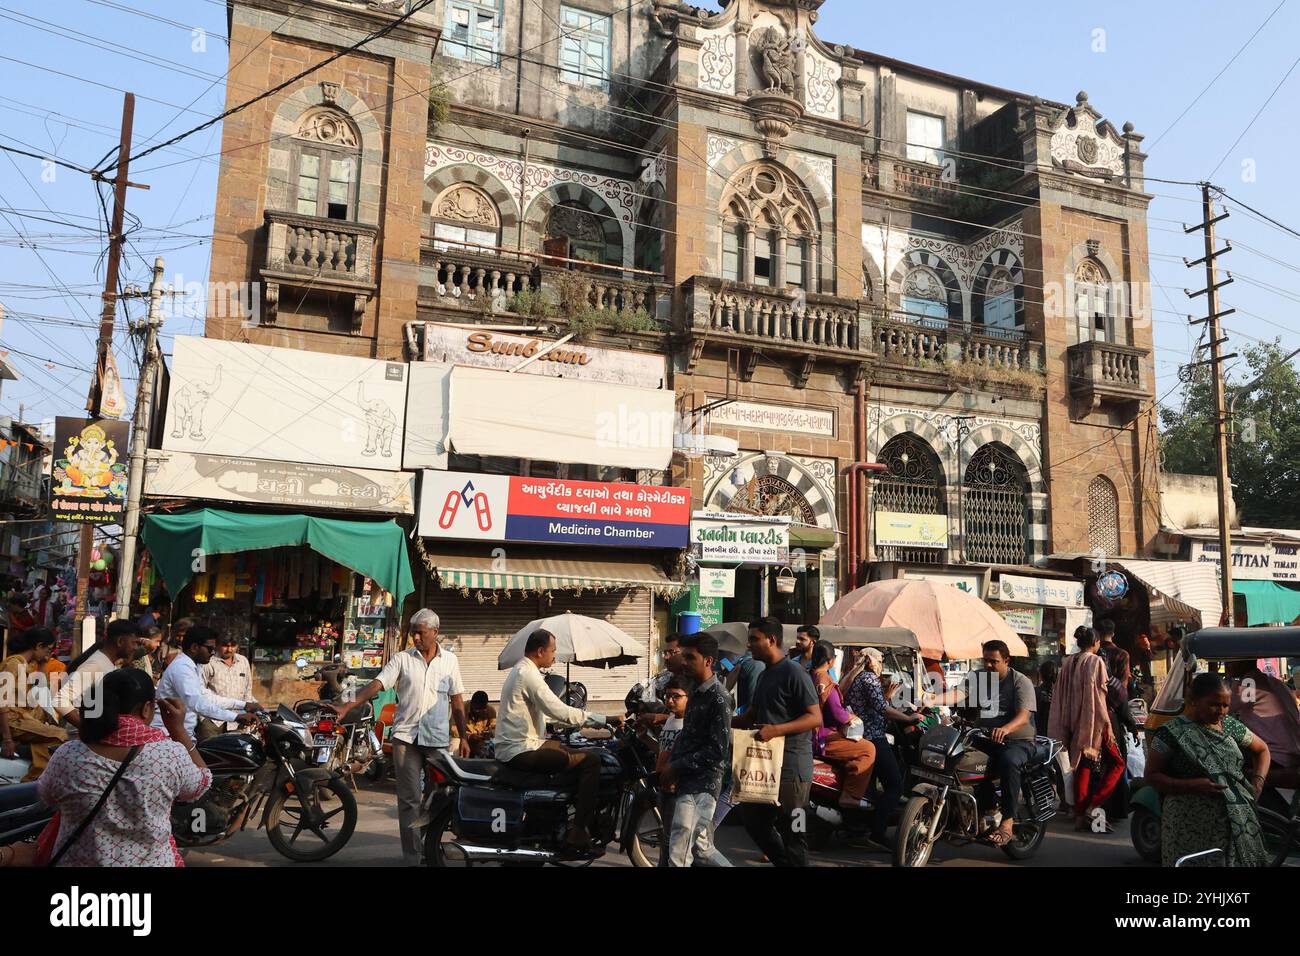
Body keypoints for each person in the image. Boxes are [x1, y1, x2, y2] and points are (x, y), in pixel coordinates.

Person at [31, 668, 211, 867]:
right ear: (146, 708)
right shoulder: (170, 754)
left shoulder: (68, 754)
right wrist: (177, 729)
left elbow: (46, 797)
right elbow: (201, 783)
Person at [334, 609, 469, 867]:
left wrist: (463, 736)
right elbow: (376, 684)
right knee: (409, 800)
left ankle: (429, 844)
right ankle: (412, 856)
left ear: (435, 632)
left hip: (437, 740)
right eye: (413, 632)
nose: (415, 637)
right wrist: (347, 706)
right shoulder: (402, 659)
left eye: (421, 632)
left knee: (439, 797)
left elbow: (457, 700)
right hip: (406, 738)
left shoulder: (450, 661)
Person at [495, 628, 617, 857]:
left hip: (524, 744)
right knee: (591, 760)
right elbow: (557, 709)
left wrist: (571, 722)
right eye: (553, 650)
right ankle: (578, 831)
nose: (555, 655)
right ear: (541, 651)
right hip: (521, 749)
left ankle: (561, 818)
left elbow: (546, 713)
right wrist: (602, 719)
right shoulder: (527, 675)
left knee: (572, 751)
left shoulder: (523, 670)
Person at [1147, 672, 1271, 867]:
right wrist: (1191, 785)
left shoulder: (1230, 726)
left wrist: (1257, 784)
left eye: (1226, 705)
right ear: (1194, 700)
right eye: (1214, 704)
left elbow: (1262, 750)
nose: (1220, 711)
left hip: (1232, 823)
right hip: (1186, 824)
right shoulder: (1169, 733)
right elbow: (1152, 776)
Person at [926, 640, 1037, 847]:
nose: (988, 665)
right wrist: (933, 699)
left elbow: (1023, 716)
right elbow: (959, 694)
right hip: (985, 738)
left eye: (993, 661)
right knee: (957, 759)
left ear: (1006, 660)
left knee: (1009, 762)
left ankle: (1007, 821)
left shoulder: (1020, 682)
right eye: (985, 660)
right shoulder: (978, 676)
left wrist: (1005, 729)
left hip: (1017, 741)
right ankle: (972, 810)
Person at [733, 616, 821, 867]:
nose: (749, 645)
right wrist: (719, 720)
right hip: (765, 768)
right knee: (752, 820)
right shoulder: (764, 675)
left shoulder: (795, 672)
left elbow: (815, 718)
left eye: (754, 639)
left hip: (794, 772)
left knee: (796, 831)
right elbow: (750, 716)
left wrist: (777, 730)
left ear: (771, 640)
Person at [661, 632, 732, 867]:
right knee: (700, 849)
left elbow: (717, 750)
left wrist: (676, 766)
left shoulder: (718, 698)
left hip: (704, 784)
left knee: (680, 853)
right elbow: (687, 735)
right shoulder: (696, 690)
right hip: (687, 780)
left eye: (691, 658)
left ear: (708, 661)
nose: (685, 662)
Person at [842, 645, 921, 846]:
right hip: (874, 737)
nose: (882, 664)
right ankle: (878, 832)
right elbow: (883, 709)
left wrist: (885, 696)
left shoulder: (854, 678)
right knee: (894, 785)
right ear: (873, 661)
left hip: (858, 737)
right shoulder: (868, 678)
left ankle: (857, 828)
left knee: (868, 785)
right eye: (881, 660)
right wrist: (908, 719)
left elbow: (871, 705)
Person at [1049, 627, 1124, 831]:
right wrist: (1105, 724)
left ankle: (1080, 816)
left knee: (1083, 767)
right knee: (1118, 764)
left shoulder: (1068, 662)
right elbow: (1101, 694)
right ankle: (1093, 805)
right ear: (1096, 642)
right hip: (1095, 721)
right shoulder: (1095, 661)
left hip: (1071, 721)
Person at [153, 626, 261, 739]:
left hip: (182, 735)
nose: (213, 653)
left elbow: (207, 697)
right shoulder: (182, 669)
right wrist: (236, 716)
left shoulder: (194, 666)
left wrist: (243, 705)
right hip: (167, 735)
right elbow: (198, 704)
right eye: (210, 649)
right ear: (194, 647)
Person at [809, 640, 877, 813]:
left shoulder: (808, 676)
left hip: (810, 733)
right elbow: (837, 714)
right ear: (831, 660)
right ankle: (851, 795)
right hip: (822, 736)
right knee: (868, 749)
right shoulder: (826, 681)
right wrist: (851, 717)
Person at [0, 628, 67, 780]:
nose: (48, 655)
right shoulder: (13, 664)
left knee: (59, 733)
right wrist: (7, 739)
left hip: (24, 718)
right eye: (47, 650)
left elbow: (39, 691)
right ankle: (32, 780)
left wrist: (43, 665)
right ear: (38, 646)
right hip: (12, 720)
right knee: (61, 736)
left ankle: (37, 770)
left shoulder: (28, 666)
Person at [1227, 659, 1300, 788]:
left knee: (1219, 758)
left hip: (1276, 756)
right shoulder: (1276, 683)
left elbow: (1220, 708)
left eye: (1230, 661)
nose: (1227, 666)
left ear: (1242, 662)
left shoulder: (1248, 683)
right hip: (1292, 753)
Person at [53, 618, 141, 724]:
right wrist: (85, 729)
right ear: (120, 641)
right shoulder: (96, 665)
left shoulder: (107, 662)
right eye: (134, 643)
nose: (135, 647)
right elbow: (60, 700)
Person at [198, 634, 254, 740]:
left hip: (237, 719)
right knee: (210, 751)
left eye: (233, 646)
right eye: (225, 646)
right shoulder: (208, 662)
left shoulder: (243, 661)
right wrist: (203, 719)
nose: (229, 649)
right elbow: (201, 691)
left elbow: (248, 688)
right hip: (212, 720)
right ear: (218, 646)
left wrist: (248, 711)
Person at [464, 691, 497, 758]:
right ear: (471, 703)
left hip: (480, 740)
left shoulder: (490, 710)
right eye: (476, 708)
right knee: (454, 743)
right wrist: (469, 736)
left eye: (481, 709)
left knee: (493, 745)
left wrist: (490, 733)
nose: (478, 711)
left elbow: (494, 727)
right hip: (464, 738)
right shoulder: (462, 708)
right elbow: (453, 729)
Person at [1036, 660, 1058, 733]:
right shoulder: (1061, 692)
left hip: (1040, 731)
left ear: (1041, 675)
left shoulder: (1037, 691)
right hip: (1056, 731)